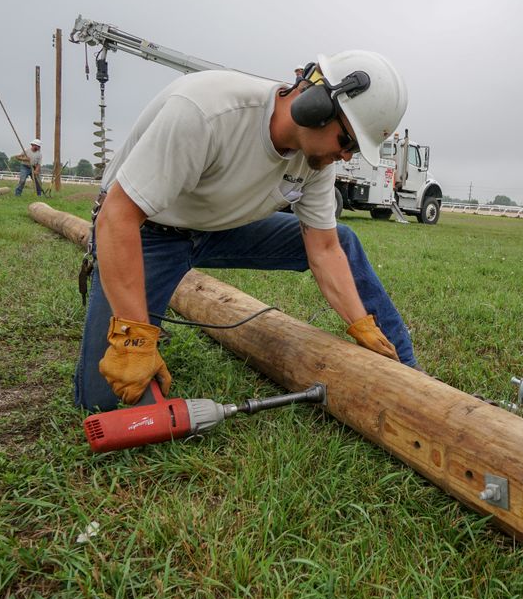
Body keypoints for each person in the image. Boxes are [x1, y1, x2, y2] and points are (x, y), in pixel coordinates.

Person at [74, 51, 418, 412]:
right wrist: (135, 340)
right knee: (105, 401)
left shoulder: (316, 161)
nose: (347, 156)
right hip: (150, 232)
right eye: (347, 142)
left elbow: (325, 249)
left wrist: (359, 322)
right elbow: (117, 217)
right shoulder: (206, 111)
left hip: (221, 226)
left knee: (343, 240)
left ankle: (410, 374)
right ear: (316, 107)